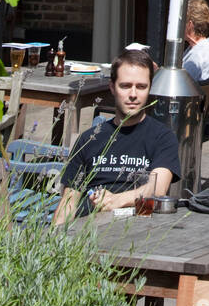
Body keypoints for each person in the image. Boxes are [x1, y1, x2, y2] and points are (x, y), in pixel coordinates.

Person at [53, 49, 180, 224]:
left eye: (141, 87)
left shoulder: (162, 137)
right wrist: (55, 235)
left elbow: (157, 188)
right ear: (112, 87)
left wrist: (116, 200)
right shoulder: (90, 139)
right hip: (88, 227)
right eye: (125, 86)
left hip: (139, 225)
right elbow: (68, 203)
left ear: (150, 88)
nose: (133, 94)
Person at [183, 0, 209, 83]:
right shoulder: (206, 46)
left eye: (181, 22)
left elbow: (179, 85)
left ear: (189, 25)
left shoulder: (196, 57)